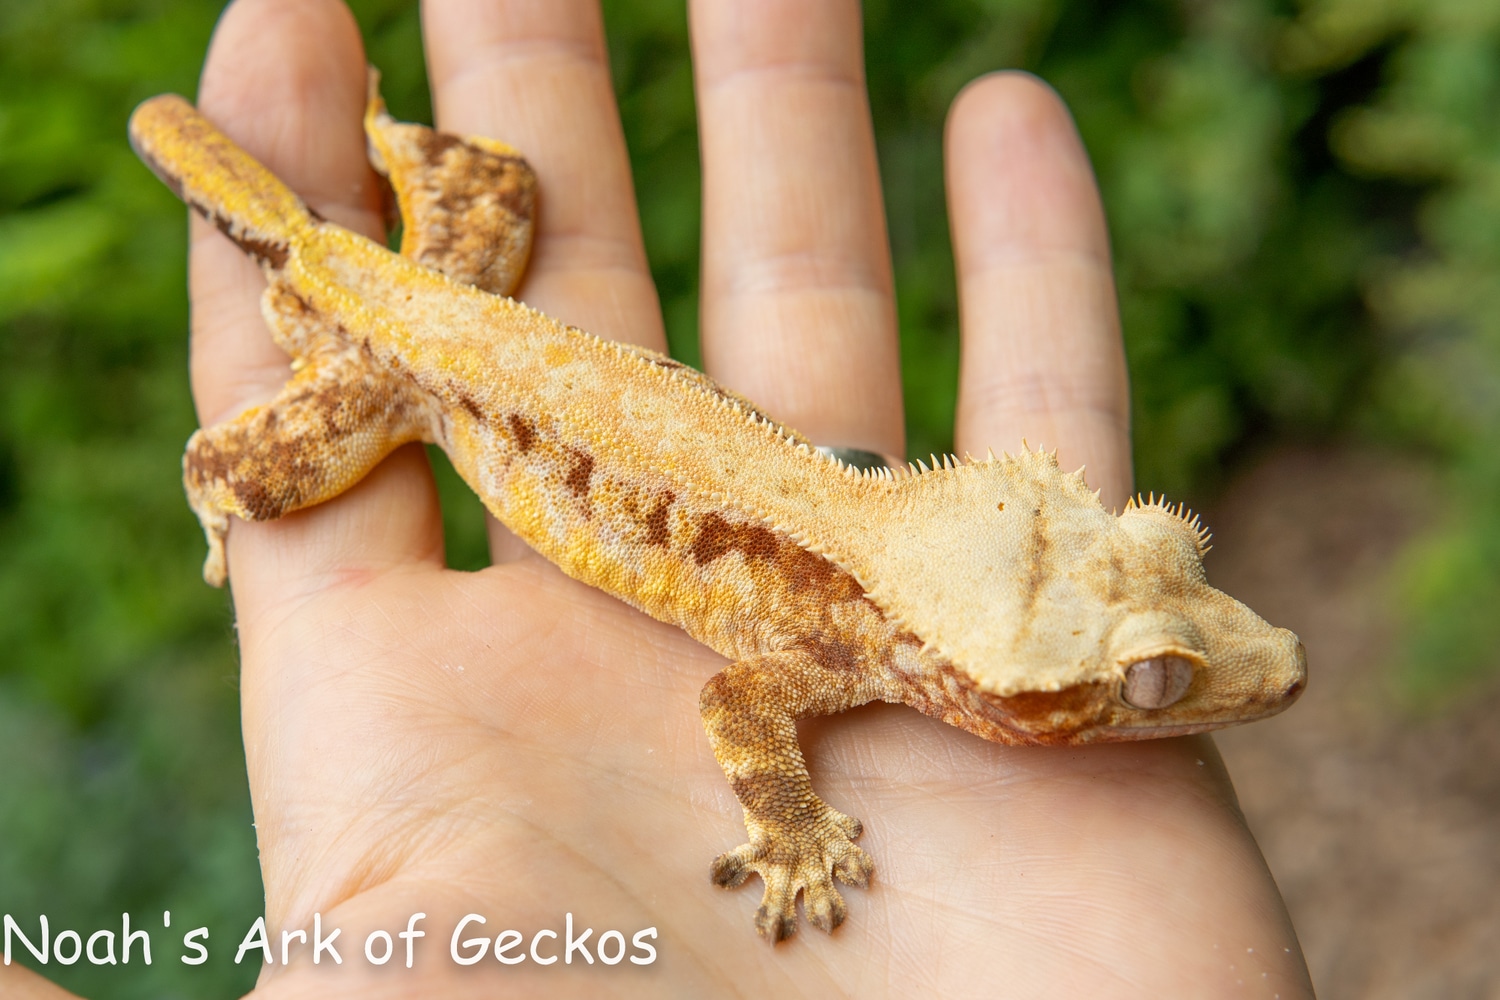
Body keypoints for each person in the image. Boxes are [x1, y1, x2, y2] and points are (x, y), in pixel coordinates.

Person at [5, 0, 1314, 994]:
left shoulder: (877, 607)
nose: (1269, 664)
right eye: (1151, 680)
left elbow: (754, 680)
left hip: (452, 320)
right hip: (413, 367)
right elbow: (738, 701)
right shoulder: (845, 634)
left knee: (498, 192)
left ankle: (376, 198)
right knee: (248, 475)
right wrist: (790, 828)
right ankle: (286, 325)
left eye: (1157, 663)